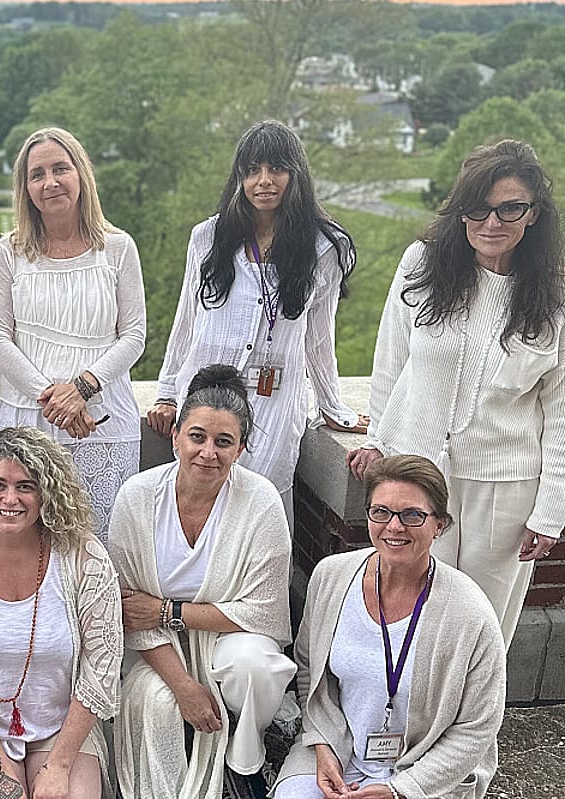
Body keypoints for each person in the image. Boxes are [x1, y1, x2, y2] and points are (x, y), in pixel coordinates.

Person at [347, 139, 565, 646]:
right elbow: (391, 360)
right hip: (419, 475)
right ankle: (406, 720)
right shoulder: (421, 265)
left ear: (532, 214)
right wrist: (379, 438)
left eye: (509, 208)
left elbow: (560, 413)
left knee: (484, 625)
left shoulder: (553, 300)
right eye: (478, 208)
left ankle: (474, 726)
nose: (492, 223)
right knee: (411, 613)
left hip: (506, 489)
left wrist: (551, 511)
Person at [147, 121, 366, 524]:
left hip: (274, 402)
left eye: (276, 169)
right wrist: (166, 392)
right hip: (205, 395)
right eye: (252, 170)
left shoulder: (324, 247)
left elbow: (318, 338)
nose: (263, 181)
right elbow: (186, 322)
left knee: (261, 508)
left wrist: (333, 407)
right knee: (200, 499)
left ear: (295, 175)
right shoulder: (209, 237)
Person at [110, 364, 295, 799]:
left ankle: (244, 760)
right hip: (154, 644)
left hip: (228, 639)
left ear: (241, 449)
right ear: (175, 437)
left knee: (254, 667)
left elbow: (263, 612)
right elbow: (127, 609)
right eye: (197, 436)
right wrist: (185, 688)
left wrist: (167, 610)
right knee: (157, 702)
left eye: (223, 442)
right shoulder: (136, 497)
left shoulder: (261, 501)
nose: (208, 452)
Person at [273, 455, 506, 799]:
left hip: (423, 769)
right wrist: (322, 744)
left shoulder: (471, 614)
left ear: (439, 524)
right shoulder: (331, 578)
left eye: (412, 515)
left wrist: (400, 790)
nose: (394, 527)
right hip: (340, 750)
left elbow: (477, 728)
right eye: (380, 511)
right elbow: (311, 673)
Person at [0, 426, 123, 799]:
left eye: (26, 486)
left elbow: (103, 667)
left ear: (47, 494)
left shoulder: (83, 556)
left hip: (65, 732)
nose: (10, 498)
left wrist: (59, 767)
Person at [0, 127, 146, 544]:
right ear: (25, 188)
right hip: (26, 413)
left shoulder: (118, 247)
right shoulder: (9, 251)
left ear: (81, 174)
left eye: (61, 168)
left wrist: (82, 389)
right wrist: (54, 398)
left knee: (97, 542)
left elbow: (133, 335)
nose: (50, 182)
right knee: (26, 541)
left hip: (102, 420)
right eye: (37, 174)